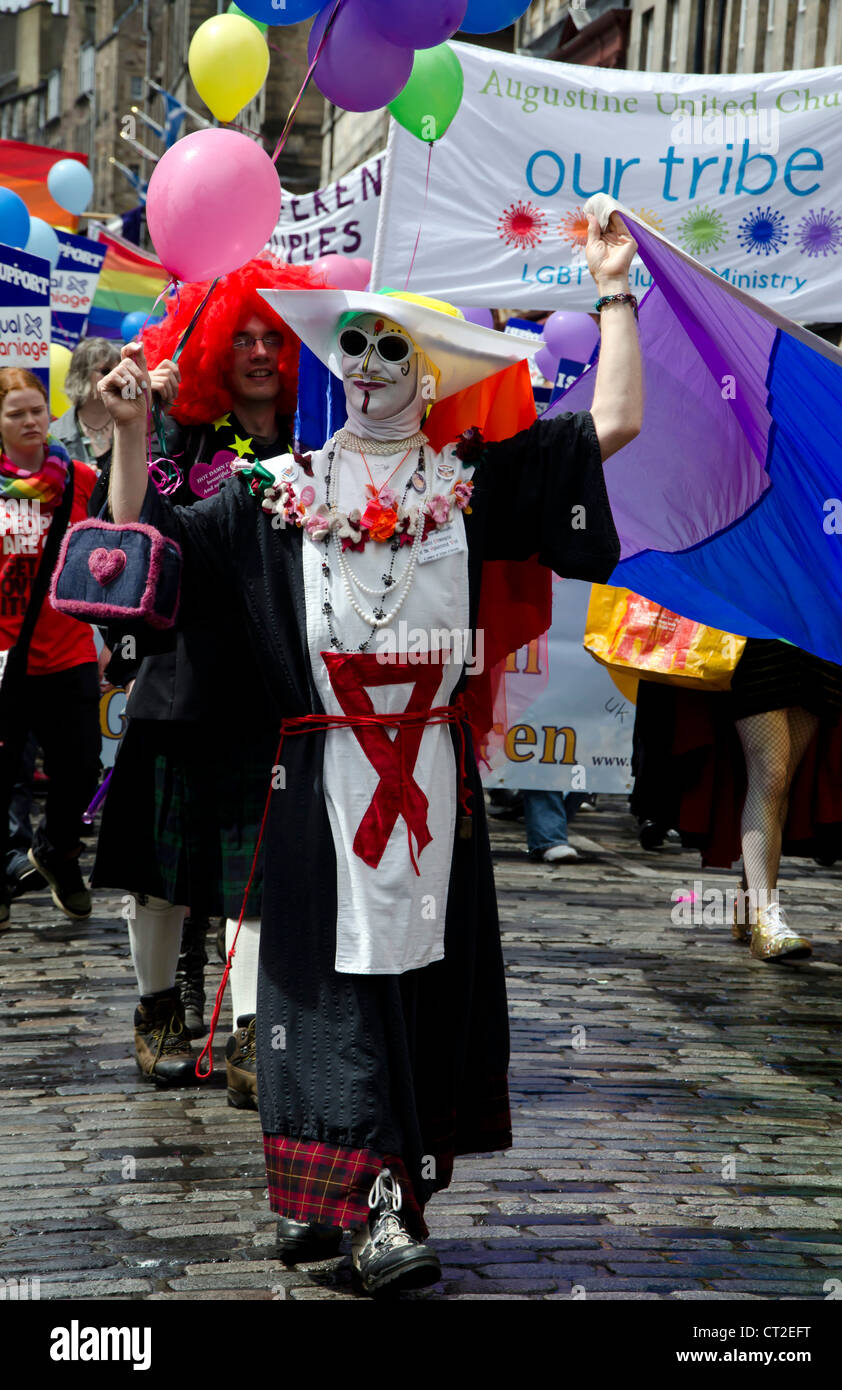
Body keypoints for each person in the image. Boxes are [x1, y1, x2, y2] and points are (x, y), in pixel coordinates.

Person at [100, 212, 641, 1295]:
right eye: (353, 343)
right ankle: (354, 1199)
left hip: (431, 785)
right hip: (316, 784)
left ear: (428, 376)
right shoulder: (275, 495)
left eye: (395, 347)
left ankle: (380, 1191)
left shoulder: (469, 487)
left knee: (411, 988)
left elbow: (612, 422)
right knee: (324, 991)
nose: (371, 364)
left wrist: (615, 292)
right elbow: (145, 534)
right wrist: (127, 430)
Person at [89, 257, 319, 1097]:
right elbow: (132, 528)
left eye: (274, 337)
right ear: (220, 348)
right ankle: (157, 1018)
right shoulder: (184, 439)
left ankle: (253, 1037)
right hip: (178, 678)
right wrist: (128, 428)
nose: (259, 352)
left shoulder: (317, 438)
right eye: (244, 337)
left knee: (250, 875)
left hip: (272, 686)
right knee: (160, 873)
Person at [631, 635, 842, 961]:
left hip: (818, 641)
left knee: (781, 783)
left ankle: (750, 901)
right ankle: (767, 917)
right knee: (772, 774)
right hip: (760, 633)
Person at [0, 367, 102, 927]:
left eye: (37, 409)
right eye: (16, 413)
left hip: (69, 649)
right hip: (4, 658)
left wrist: (107, 637)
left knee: (81, 770)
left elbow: (108, 560)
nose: (31, 421)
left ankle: (59, 852)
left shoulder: (81, 479)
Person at [50, 338, 122, 470]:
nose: (116, 377)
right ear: (81, 373)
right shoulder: (53, 434)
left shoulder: (132, 424)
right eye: (106, 371)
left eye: (119, 371)